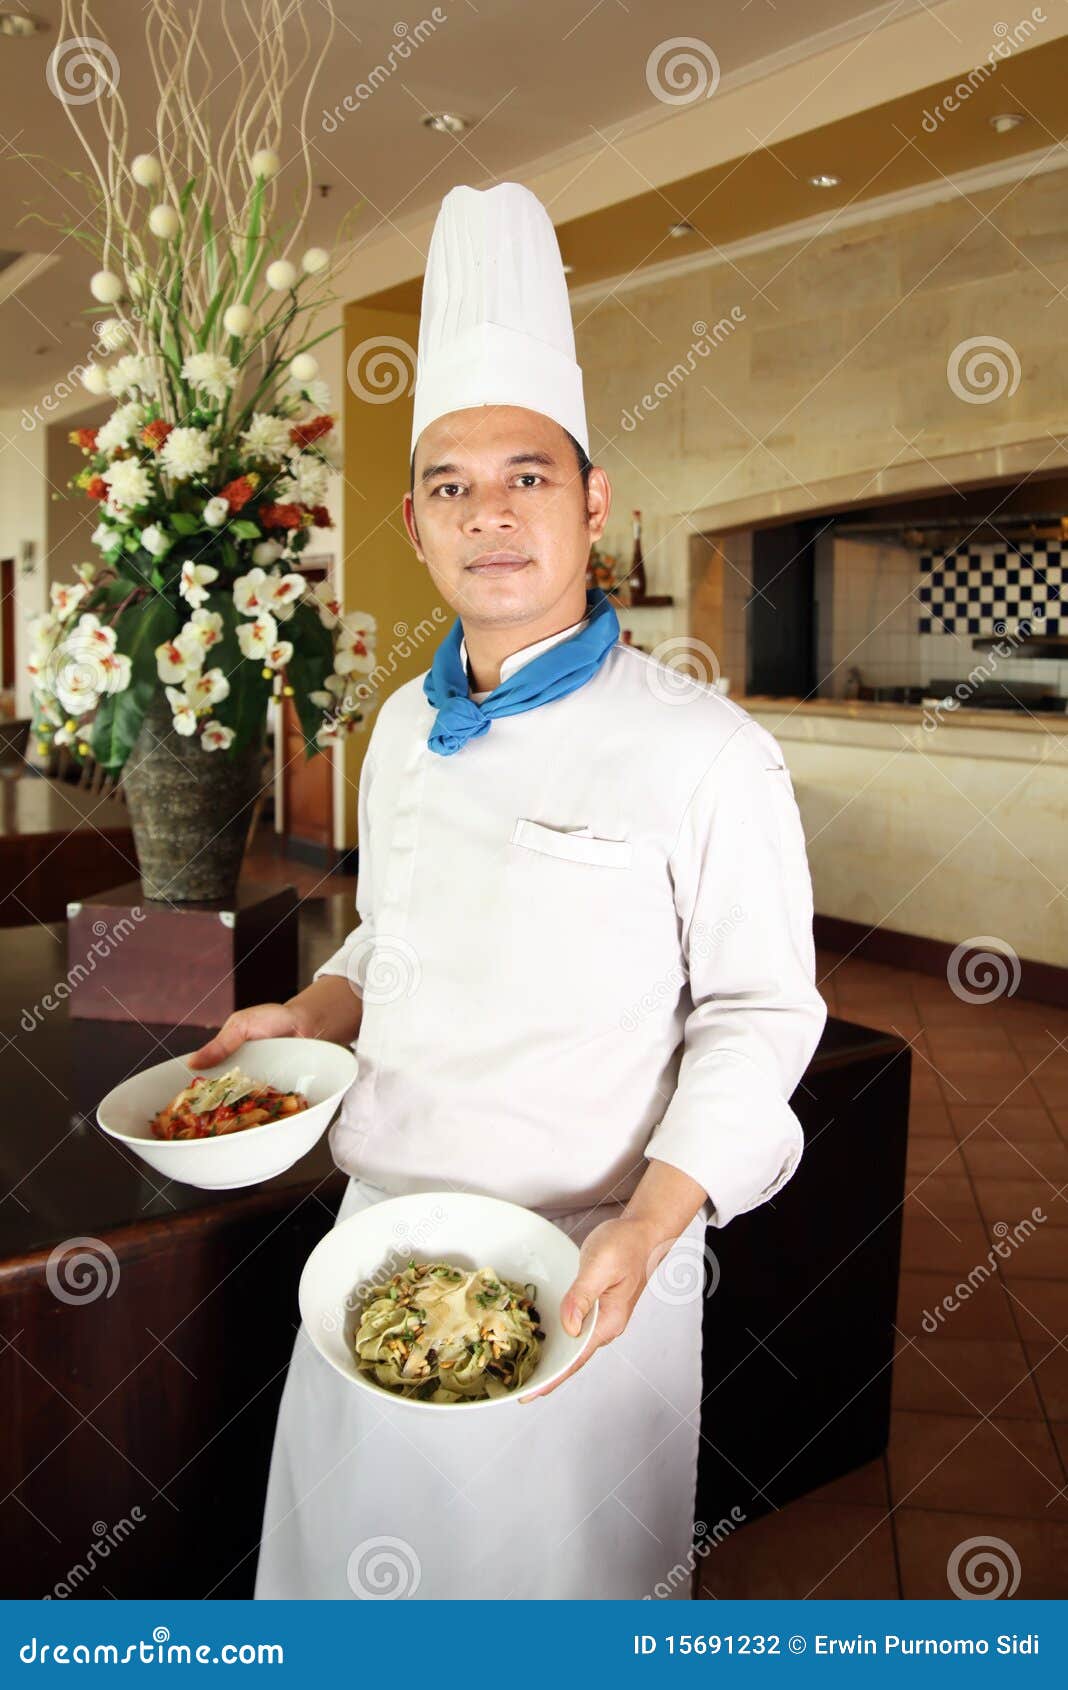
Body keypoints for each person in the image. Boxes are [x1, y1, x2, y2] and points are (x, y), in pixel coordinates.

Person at [189, 181, 827, 1601]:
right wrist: (310, 1011)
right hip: (376, 1246)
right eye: (450, 485)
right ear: (415, 524)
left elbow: (762, 1012)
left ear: (594, 503)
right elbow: (393, 932)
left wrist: (655, 1223)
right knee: (345, 1592)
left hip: (590, 1261)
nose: (489, 514)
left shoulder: (706, 748)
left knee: (556, 1601)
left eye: (528, 477)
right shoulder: (401, 727)